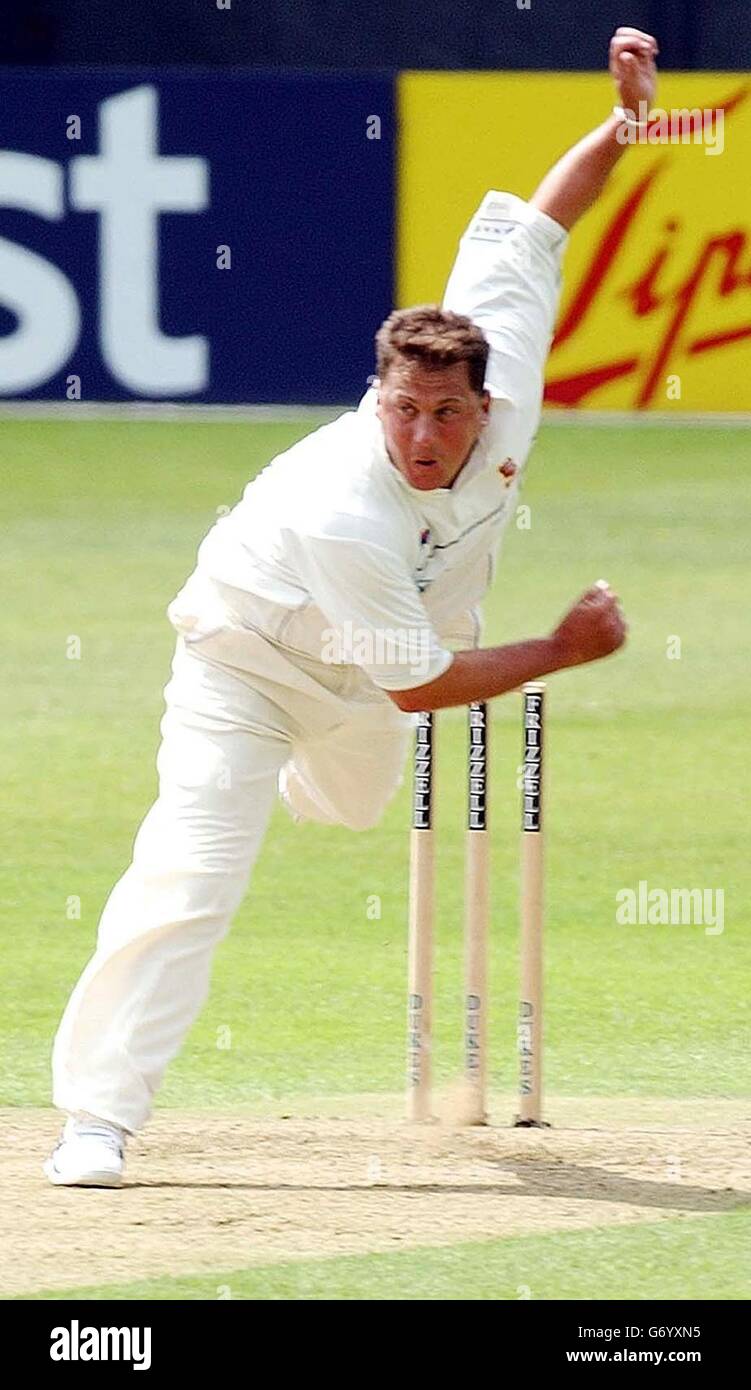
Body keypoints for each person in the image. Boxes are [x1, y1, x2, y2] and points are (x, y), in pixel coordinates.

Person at [45, 28, 658, 1186]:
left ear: (486, 403)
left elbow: (542, 219)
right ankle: (98, 1117)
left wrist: (627, 122)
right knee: (190, 872)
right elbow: (423, 684)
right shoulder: (342, 506)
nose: (421, 436)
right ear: (376, 396)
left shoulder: (505, 376)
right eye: (401, 410)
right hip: (250, 662)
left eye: (444, 413)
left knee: (350, 804)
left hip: (367, 681)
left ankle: (295, 778)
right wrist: (564, 650)